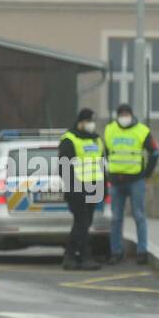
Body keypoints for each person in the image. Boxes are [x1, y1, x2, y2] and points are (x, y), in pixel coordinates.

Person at [103, 102, 159, 265]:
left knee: (139, 216)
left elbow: (155, 152)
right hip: (116, 181)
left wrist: (146, 173)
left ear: (132, 115)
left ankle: (142, 251)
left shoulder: (142, 131)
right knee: (115, 219)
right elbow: (105, 152)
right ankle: (116, 252)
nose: (124, 117)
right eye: (121, 114)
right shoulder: (109, 130)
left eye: (126, 114)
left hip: (135, 180)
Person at [56, 108, 104, 271]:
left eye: (92, 121)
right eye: (89, 121)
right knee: (82, 222)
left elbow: (102, 165)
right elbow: (64, 166)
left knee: (84, 223)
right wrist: (72, 188)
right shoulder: (69, 139)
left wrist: (103, 187)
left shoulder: (96, 140)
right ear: (81, 122)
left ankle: (69, 256)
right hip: (77, 188)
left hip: (93, 187)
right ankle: (85, 257)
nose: (91, 125)